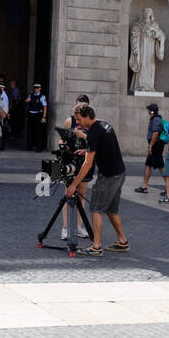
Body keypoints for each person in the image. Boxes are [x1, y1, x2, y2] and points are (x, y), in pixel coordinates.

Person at [69, 105, 128, 255]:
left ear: (87, 115)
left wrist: (74, 185)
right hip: (120, 173)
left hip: (108, 176)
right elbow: (102, 144)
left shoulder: (94, 131)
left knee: (96, 208)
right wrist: (87, 150)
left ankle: (96, 247)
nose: (78, 123)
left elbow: (88, 164)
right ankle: (122, 242)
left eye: (79, 119)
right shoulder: (104, 124)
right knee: (111, 210)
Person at [59, 96, 91, 243]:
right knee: (68, 193)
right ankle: (65, 227)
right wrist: (62, 146)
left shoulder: (91, 124)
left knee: (82, 194)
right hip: (71, 159)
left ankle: (78, 226)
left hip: (86, 160)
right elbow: (62, 139)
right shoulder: (69, 121)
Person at [135, 102, 167, 193]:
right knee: (148, 165)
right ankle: (144, 186)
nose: (148, 111)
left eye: (149, 109)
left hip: (156, 145)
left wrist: (150, 146)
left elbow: (155, 133)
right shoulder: (154, 119)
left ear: (152, 111)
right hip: (155, 145)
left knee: (161, 166)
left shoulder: (156, 120)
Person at [25, 83, 47, 152]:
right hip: (31, 114)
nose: (36, 89)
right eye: (35, 88)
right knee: (30, 131)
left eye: (37, 88)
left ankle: (39, 147)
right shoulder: (31, 95)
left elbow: (45, 107)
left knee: (38, 131)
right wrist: (27, 100)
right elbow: (26, 101)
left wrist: (44, 116)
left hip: (38, 115)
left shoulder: (42, 96)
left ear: (40, 88)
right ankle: (30, 146)